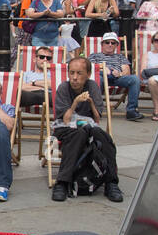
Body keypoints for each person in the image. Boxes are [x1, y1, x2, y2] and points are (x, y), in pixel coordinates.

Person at [50, 56, 122, 203]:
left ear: (88, 74)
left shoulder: (92, 86)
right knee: (79, 134)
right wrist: (76, 102)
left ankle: (111, 183)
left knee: (104, 137)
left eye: (79, 73)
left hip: (88, 126)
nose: (74, 77)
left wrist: (90, 103)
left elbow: (97, 119)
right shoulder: (64, 88)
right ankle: (62, 182)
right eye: (72, 73)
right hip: (66, 128)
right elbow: (66, 119)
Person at [89, 34, 143, 120]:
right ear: (102, 44)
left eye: (113, 43)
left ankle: (131, 111)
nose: (110, 44)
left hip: (117, 78)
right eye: (107, 42)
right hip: (101, 76)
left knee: (135, 79)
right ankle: (96, 111)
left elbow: (127, 70)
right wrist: (102, 67)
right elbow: (89, 68)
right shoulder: (94, 56)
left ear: (116, 45)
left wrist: (119, 74)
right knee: (98, 79)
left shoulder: (120, 57)